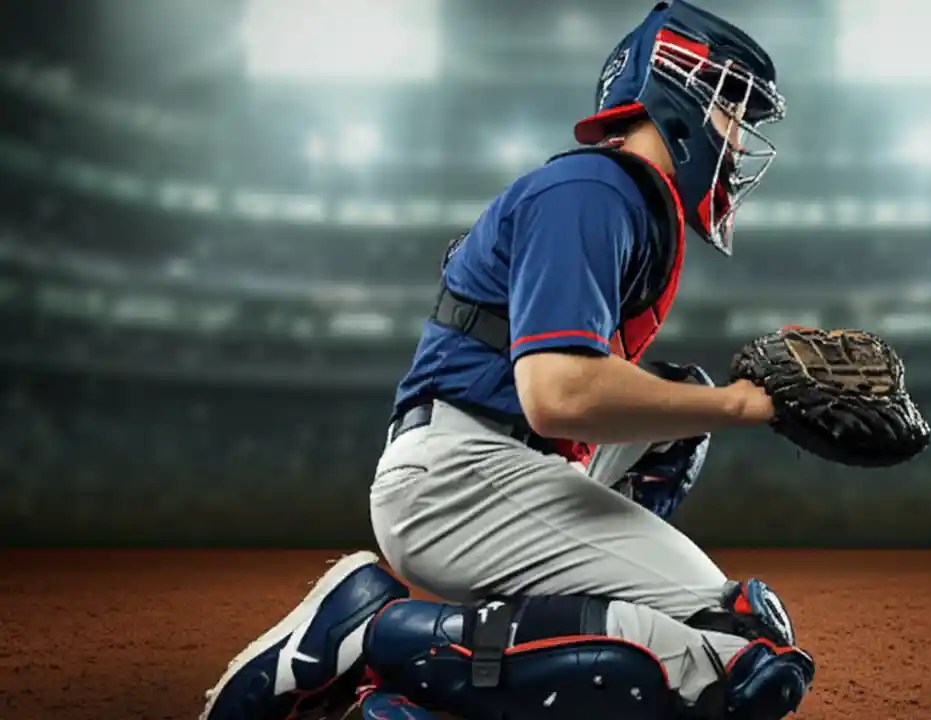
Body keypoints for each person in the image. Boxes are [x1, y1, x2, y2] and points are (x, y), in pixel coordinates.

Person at [200, 2, 814, 718]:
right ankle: (368, 630)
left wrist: (709, 403)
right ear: (675, 94)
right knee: (734, 655)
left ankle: (424, 708)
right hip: (461, 477)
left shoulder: (622, 204)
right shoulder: (592, 190)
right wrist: (745, 404)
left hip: (513, 467)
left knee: (677, 417)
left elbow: (590, 404)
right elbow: (557, 393)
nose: (738, 139)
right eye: (730, 110)